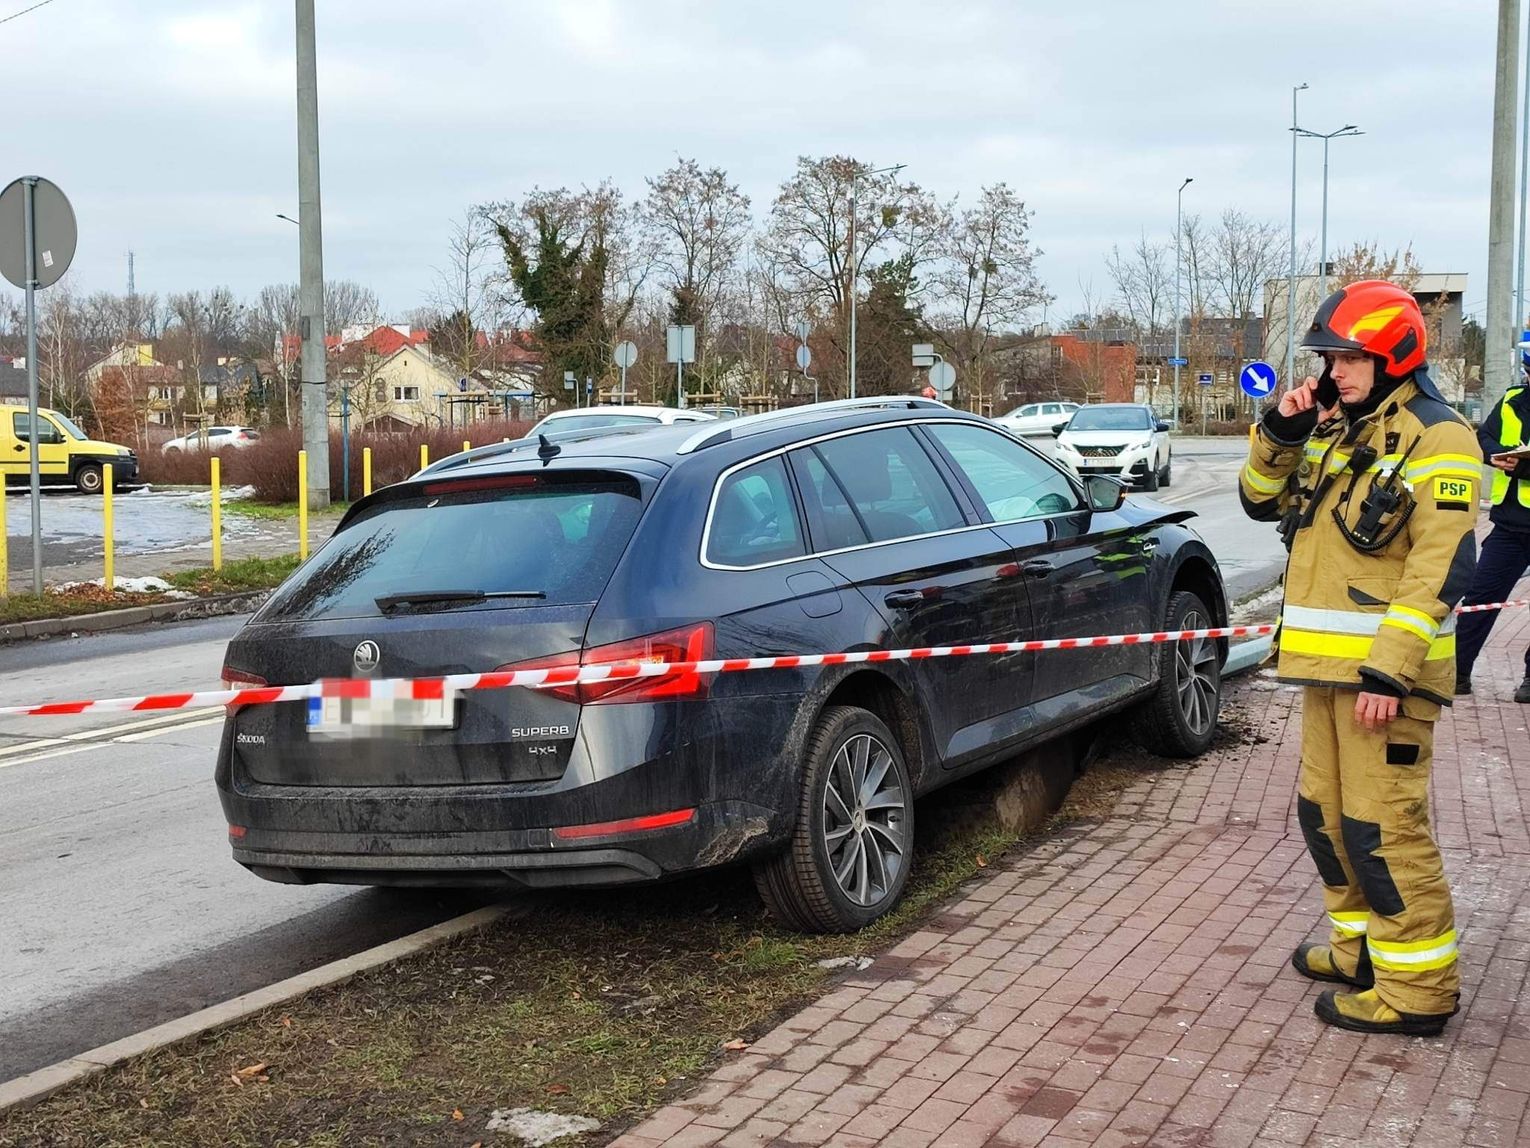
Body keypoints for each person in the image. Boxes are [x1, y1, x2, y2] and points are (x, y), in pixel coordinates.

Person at [1239, 280, 1479, 1036]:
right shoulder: (1341, 428)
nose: (1334, 371)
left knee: (1384, 832)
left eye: (1349, 358)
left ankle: (1419, 994)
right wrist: (1280, 427)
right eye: (1331, 358)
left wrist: (1390, 669)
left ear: (1394, 355)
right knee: (1326, 820)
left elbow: (1443, 562)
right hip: (1323, 674)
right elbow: (1258, 498)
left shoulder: (1441, 438)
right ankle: (1360, 951)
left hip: (1384, 682)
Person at [1454, 334, 1530, 699]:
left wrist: (1522, 468)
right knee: (1480, 597)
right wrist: (1496, 455)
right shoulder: (1514, 400)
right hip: (1510, 525)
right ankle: (1457, 671)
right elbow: (1483, 438)